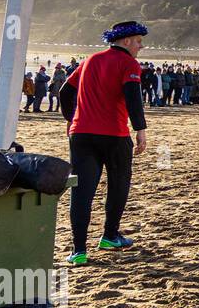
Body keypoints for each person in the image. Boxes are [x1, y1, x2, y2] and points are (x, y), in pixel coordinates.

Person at [58, 21, 149, 265]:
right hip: (114, 135)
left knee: (81, 191)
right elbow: (133, 98)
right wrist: (140, 130)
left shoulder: (89, 60)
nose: (141, 46)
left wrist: (72, 119)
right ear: (127, 40)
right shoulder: (129, 63)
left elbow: (64, 93)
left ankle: (78, 251)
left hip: (81, 135)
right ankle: (109, 236)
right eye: (139, 41)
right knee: (118, 185)